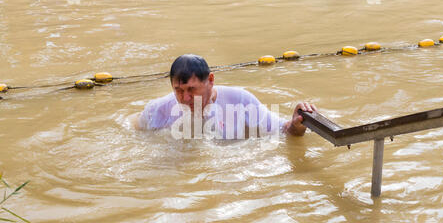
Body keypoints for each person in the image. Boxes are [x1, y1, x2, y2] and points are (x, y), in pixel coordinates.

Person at [133, 54, 317, 138]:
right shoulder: (159, 109)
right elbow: (134, 133)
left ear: (210, 80)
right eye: (178, 91)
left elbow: (282, 132)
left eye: (192, 89)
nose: (185, 98)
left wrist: (296, 123)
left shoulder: (241, 100)